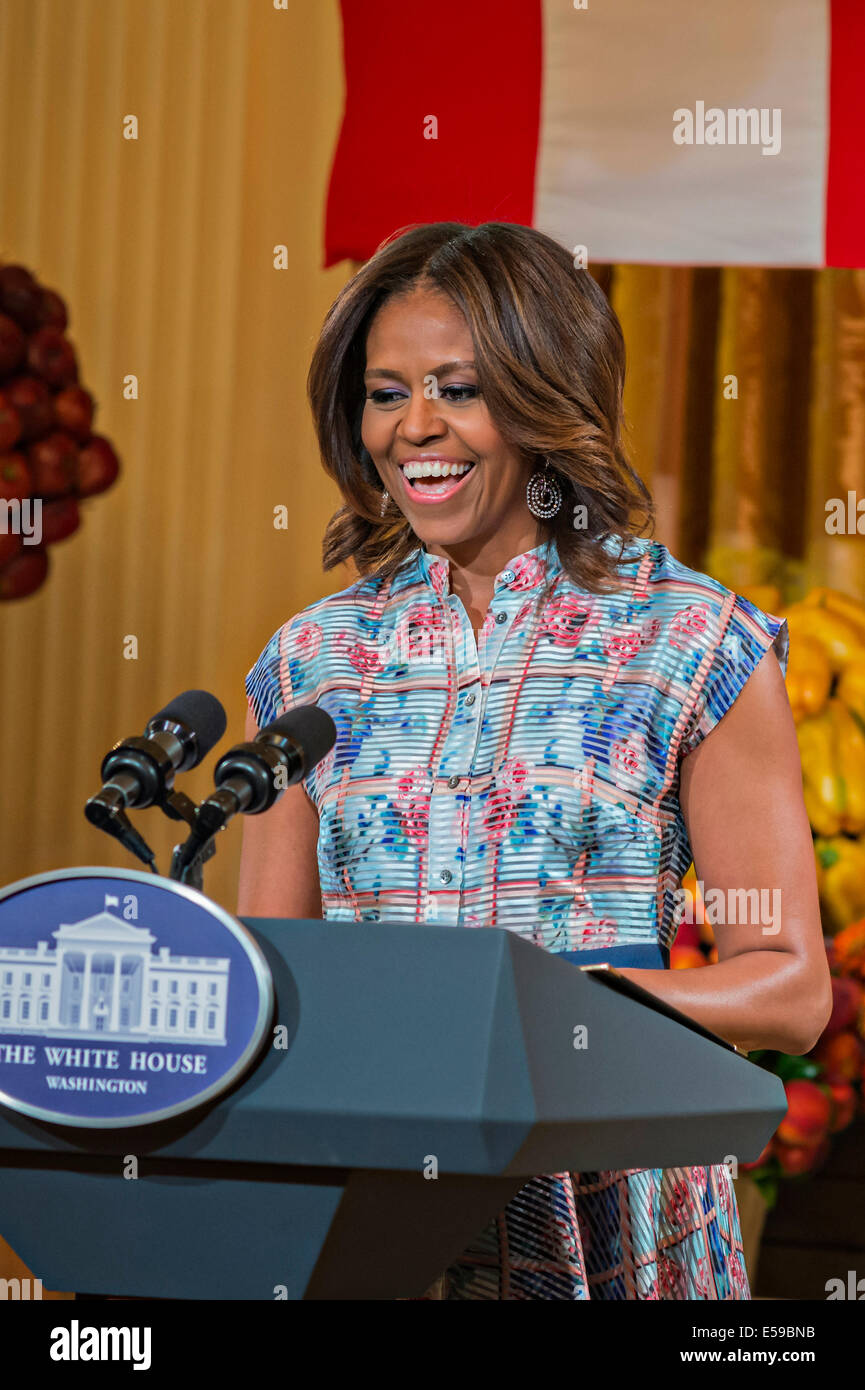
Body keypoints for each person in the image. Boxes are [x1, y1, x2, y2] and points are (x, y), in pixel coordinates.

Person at [238, 221, 832, 1300]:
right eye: (384, 393)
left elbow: (790, 988)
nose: (415, 427)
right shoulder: (310, 659)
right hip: (378, 1228)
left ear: (544, 396)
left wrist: (570, 1005)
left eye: (458, 389)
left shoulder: (690, 640)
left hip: (618, 1218)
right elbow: (278, 983)